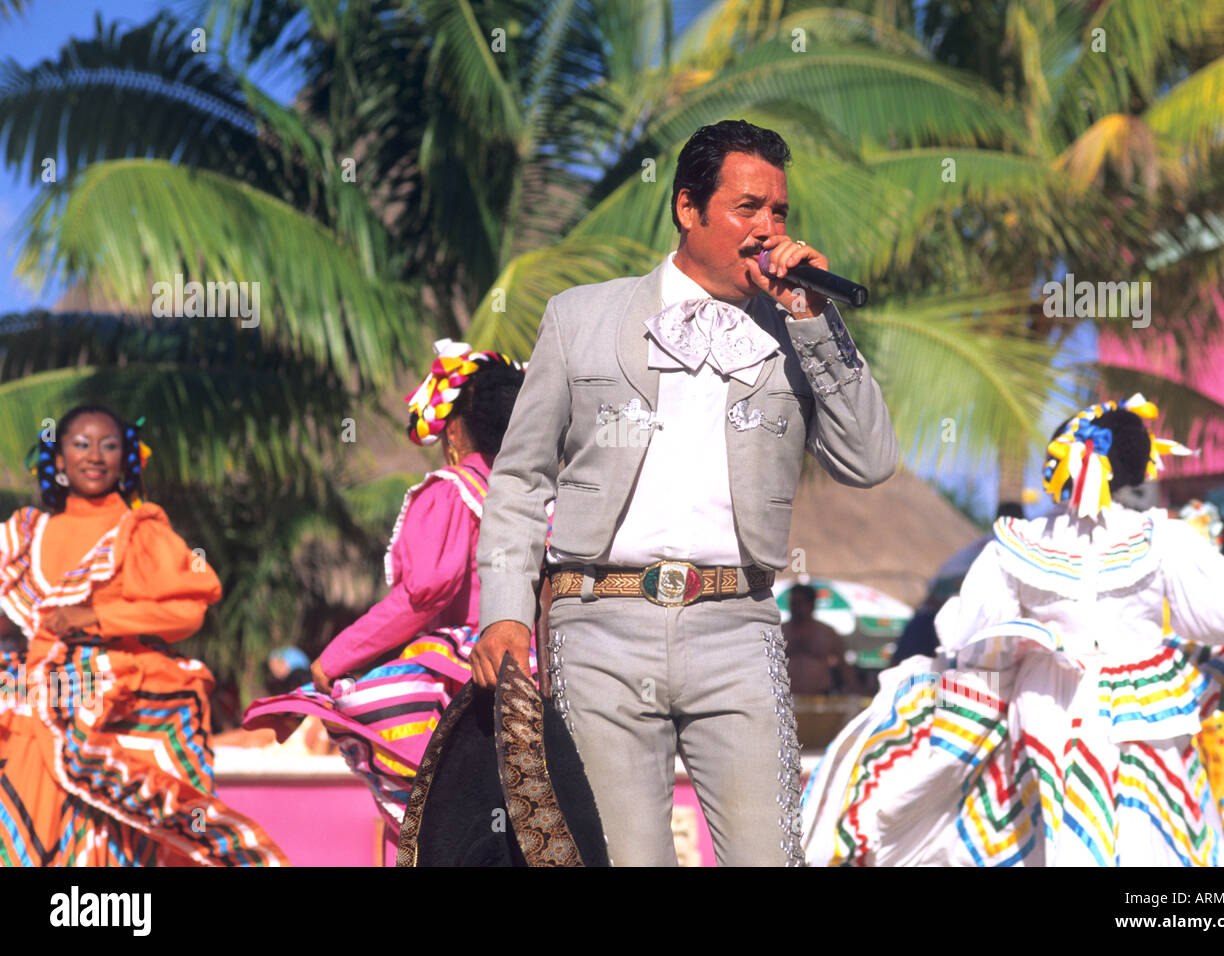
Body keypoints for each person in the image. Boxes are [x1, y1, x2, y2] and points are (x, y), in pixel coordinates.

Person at [470, 119, 899, 866]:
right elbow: (519, 477)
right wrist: (504, 611)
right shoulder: (581, 317)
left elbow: (870, 459)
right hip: (598, 623)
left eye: (780, 212)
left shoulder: (797, 330)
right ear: (687, 208)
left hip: (737, 625)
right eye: (747, 208)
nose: (768, 230)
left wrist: (814, 322)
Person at [800, 394, 1224, 866]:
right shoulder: (1160, 539)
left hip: (1046, 706)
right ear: (1135, 467)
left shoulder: (1019, 544)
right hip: (1141, 705)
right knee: (1144, 831)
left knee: (1054, 830)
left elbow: (963, 632)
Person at [243, 342, 525, 833]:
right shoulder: (535, 495)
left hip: (467, 678)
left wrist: (336, 657)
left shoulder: (452, 491)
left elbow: (427, 591)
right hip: (538, 669)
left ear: (453, 428)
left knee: (434, 822)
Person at [0, 405, 286, 866]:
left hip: (118, 692)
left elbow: (188, 611)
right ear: (57, 461)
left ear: (126, 459)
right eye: (80, 444)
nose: (95, 455)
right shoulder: (24, 533)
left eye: (109, 445)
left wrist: (95, 616)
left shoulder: (140, 529)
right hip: (36, 693)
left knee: (114, 838)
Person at [783, 584, 852, 694]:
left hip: (819, 699)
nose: (795, 608)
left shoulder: (827, 633)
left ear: (811, 604)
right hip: (785, 698)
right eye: (793, 603)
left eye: (799, 603)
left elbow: (844, 667)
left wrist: (857, 691)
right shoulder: (780, 632)